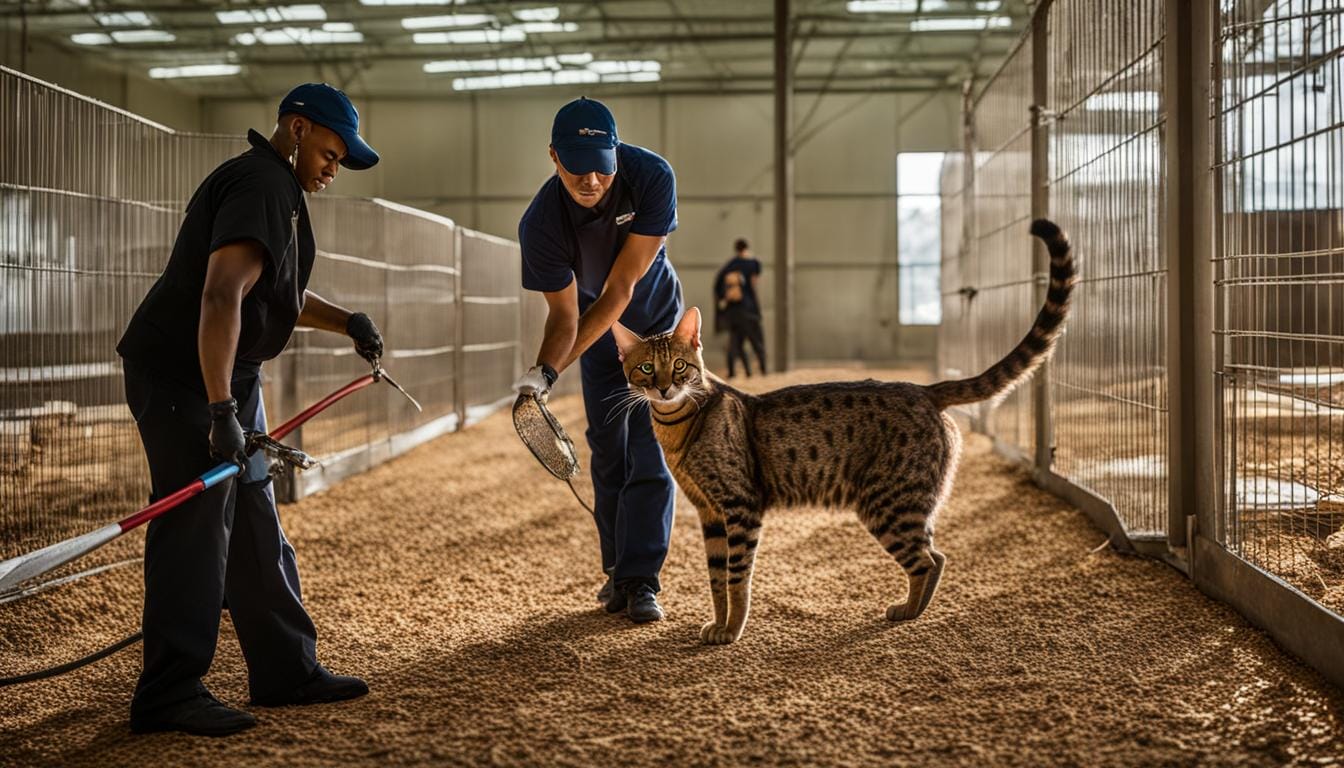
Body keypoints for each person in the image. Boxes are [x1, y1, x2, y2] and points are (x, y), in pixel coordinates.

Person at [115, 83, 384, 737]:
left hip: (227, 377)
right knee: (195, 524)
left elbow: (276, 290)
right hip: (184, 377)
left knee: (257, 515)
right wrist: (219, 409)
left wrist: (346, 321)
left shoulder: (280, 191)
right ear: (297, 128)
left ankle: (287, 669)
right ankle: (168, 693)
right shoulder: (261, 184)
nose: (334, 169)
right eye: (330, 153)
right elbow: (220, 296)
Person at [513, 97, 682, 624]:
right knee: (608, 451)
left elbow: (620, 290)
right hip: (595, 335)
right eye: (576, 166)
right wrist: (541, 373)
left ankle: (642, 577)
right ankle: (617, 570)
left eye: (601, 167)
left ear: (616, 152)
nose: (590, 180)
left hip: (654, 332)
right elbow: (565, 317)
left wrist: (553, 369)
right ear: (553, 156)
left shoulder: (651, 176)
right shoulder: (541, 224)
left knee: (649, 449)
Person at [713, 238, 767, 377]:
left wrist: (724, 298)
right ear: (747, 247)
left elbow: (717, 285)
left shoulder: (731, 264)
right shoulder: (754, 263)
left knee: (736, 342)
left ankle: (735, 372)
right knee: (756, 341)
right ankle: (763, 371)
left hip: (734, 310)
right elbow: (753, 285)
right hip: (749, 309)